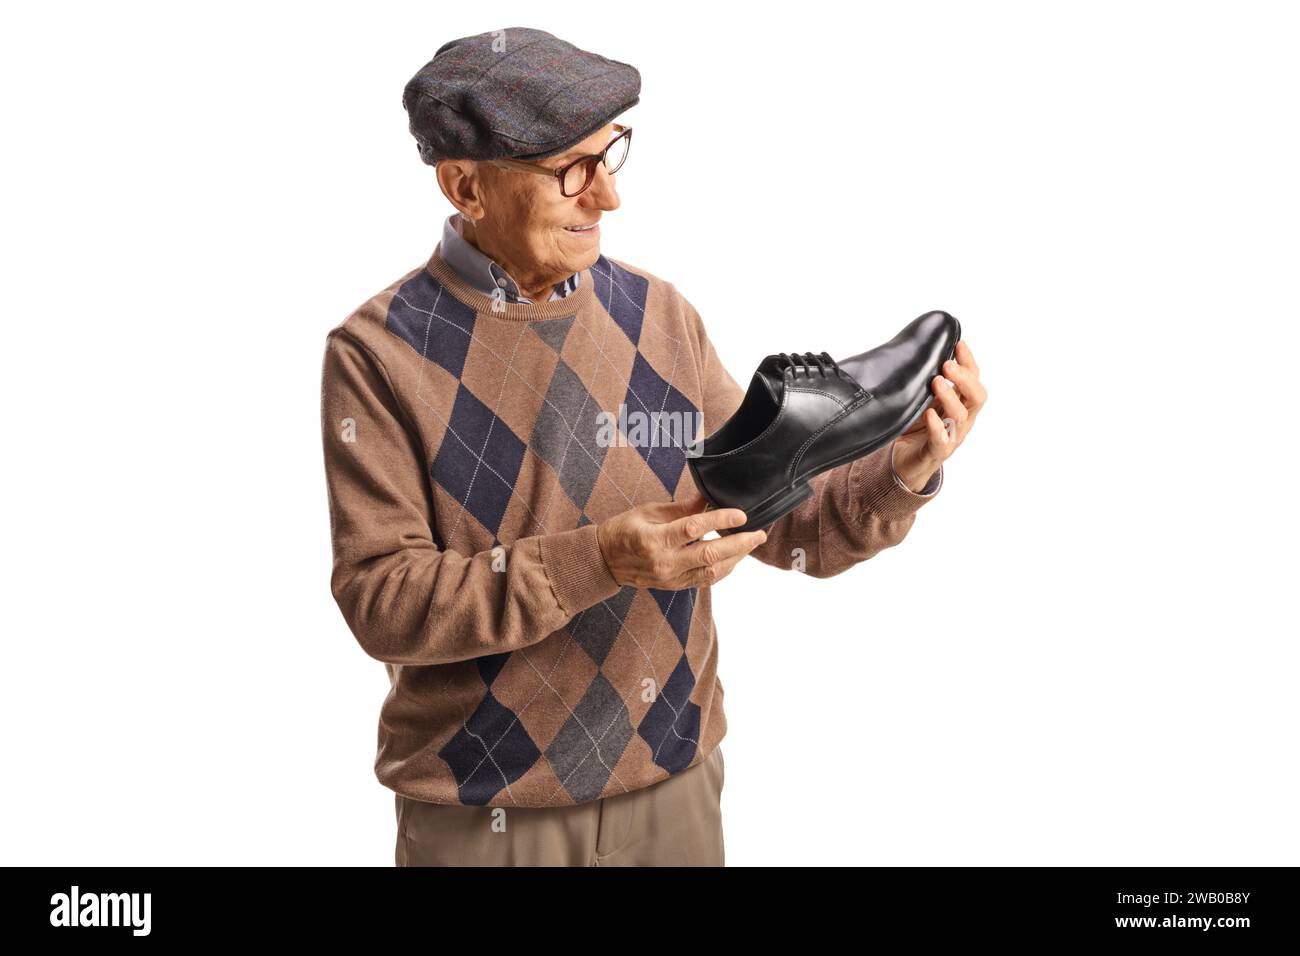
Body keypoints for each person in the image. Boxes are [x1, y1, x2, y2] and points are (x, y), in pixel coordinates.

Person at [319, 27, 985, 867]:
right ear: (465, 185)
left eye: (611, 157)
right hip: (486, 820)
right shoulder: (377, 352)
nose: (606, 198)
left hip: (674, 792)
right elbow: (382, 601)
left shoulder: (657, 315)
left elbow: (786, 527)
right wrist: (599, 560)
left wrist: (903, 469)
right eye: (571, 170)